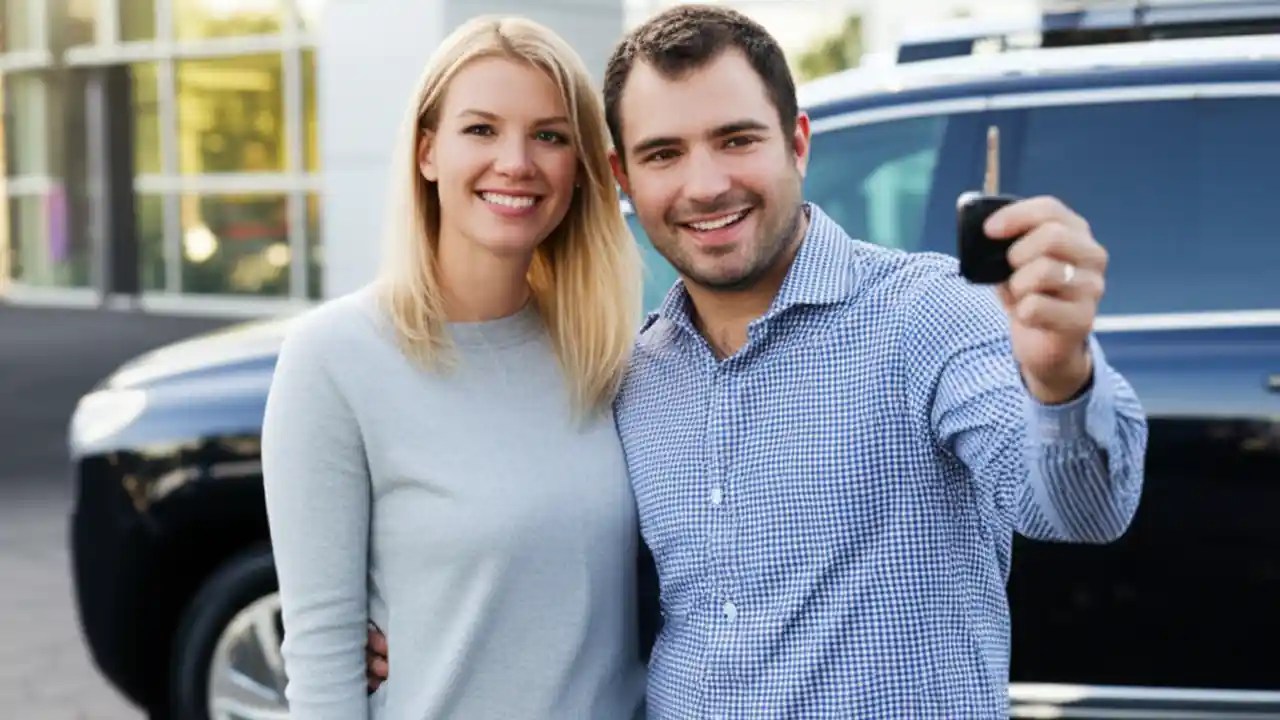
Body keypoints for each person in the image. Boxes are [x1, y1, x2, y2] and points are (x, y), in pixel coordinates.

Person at [368, 4, 1148, 717]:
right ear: (623, 179)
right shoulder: (630, 373)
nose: (705, 185)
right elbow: (566, 569)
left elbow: (1080, 511)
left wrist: (1059, 378)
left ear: (797, 143)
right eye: (664, 153)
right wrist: (429, 626)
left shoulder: (927, 314)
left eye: (736, 140)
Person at [260, 15, 650, 719]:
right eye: (481, 129)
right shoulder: (335, 358)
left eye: (550, 135)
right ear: (427, 151)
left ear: (581, 168)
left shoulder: (606, 352)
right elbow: (322, 659)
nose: (517, 162)